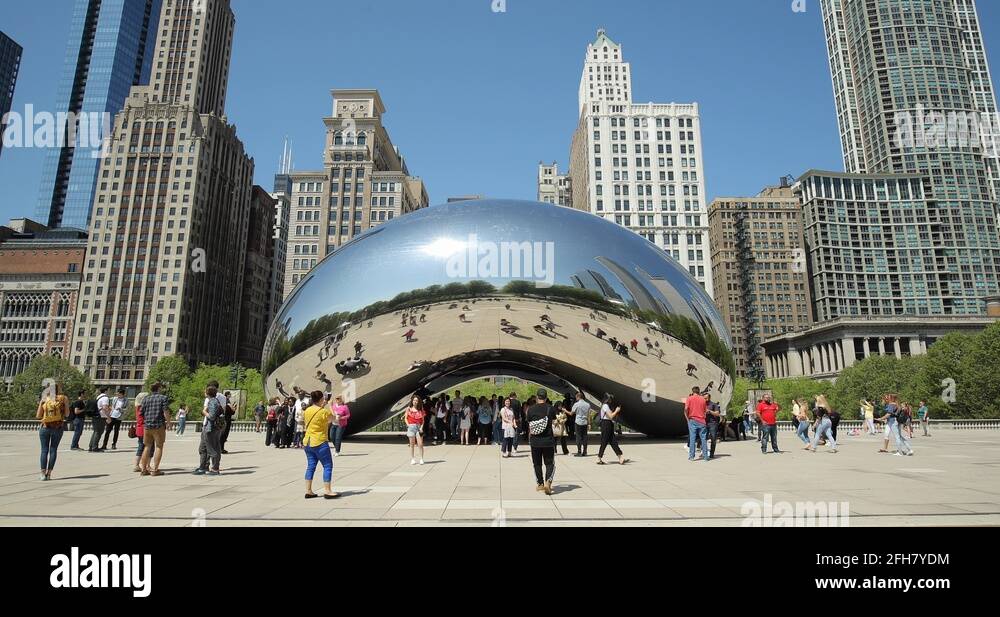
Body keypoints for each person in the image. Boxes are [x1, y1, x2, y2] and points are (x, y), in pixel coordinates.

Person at [302, 391, 339, 500]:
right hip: (319, 441)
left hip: (307, 442)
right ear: (321, 400)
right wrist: (330, 406)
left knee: (311, 466)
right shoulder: (323, 411)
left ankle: (308, 491)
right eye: (323, 399)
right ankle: (327, 490)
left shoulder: (307, 410)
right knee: (327, 465)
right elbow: (334, 419)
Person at [526, 389, 558, 495]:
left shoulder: (530, 409)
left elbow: (530, 425)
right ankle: (548, 482)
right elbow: (554, 421)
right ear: (546, 397)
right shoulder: (551, 408)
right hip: (548, 441)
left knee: (537, 464)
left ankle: (540, 484)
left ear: (536, 397)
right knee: (549, 463)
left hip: (535, 441)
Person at [36, 383, 69, 481]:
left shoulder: (45, 398)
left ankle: (42, 474)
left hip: (45, 427)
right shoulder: (64, 398)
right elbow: (67, 414)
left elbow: (38, 415)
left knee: (44, 450)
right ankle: (49, 474)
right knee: (53, 450)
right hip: (58, 427)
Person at [139, 383, 170, 476]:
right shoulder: (163, 398)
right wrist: (168, 422)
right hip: (158, 425)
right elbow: (165, 411)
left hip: (147, 426)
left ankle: (144, 469)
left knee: (147, 446)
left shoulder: (146, 399)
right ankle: (155, 469)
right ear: (159, 388)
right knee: (159, 446)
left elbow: (141, 413)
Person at [195, 385, 225, 475]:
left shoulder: (212, 402)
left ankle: (215, 468)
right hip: (214, 428)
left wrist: (204, 412)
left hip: (211, 428)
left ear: (208, 393)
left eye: (205, 391)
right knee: (211, 447)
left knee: (212, 448)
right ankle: (208, 467)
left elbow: (211, 416)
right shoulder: (215, 401)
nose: (204, 392)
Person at [597, 395, 628, 465]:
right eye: (610, 399)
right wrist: (616, 411)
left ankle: (620, 457)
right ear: (607, 399)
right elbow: (610, 416)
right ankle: (599, 457)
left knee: (613, 441)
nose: (611, 400)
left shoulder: (606, 406)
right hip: (606, 424)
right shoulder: (605, 406)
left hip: (608, 424)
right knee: (604, 441)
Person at [684, 387, 710, 462]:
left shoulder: (689, 398)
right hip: (702, 421)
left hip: (692, 420)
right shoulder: (703, 399)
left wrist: (687, 418)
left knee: (692, 439)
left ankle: (692, 457)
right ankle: (705, 457)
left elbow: (686, 409)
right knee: (703, 439)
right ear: (699, 391)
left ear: (692, 391)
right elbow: (705, 411)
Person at [133, 394, 154, 473]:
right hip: (146, 429)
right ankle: (147, 465)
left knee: (140, 447)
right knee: (150, 447)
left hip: (139, 429)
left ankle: (136, 465)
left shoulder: (137, 407)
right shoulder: (145, 408)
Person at [405, 395, 426, 465]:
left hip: (418, 427)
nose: (415, 402)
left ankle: (421, 458)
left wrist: (421, 428)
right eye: (414, 400)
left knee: (420, 444)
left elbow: (423, 420)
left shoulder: (421, 409)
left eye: (417, 400)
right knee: (412, 444)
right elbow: (405, 418)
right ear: (412, 401)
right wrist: (408, 425)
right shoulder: (408, 409)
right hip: (411, 427)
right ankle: (412, 459)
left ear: (418, 402)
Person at [88, 387, 110, 452]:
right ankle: (95, 447)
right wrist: (108, 417)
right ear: (106, 391)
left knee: (95, 431)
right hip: (100, 416)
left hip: (95, 416)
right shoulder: (105, 398)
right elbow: (105, 407)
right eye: (108, 390)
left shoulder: (98, 397)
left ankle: (91, 446)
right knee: (99, 432)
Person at [571, 392, 591, 457]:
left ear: (578, 397)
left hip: (578, 422)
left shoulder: (576, 404)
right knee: (585, 437)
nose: (576, 398)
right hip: (585, 422)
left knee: (578, 437)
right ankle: (585, 451)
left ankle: (579, 452)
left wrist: (565, 410)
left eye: (576, 397)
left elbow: (571, 413)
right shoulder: (588, 404)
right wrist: (589, 424)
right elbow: (588, 415)